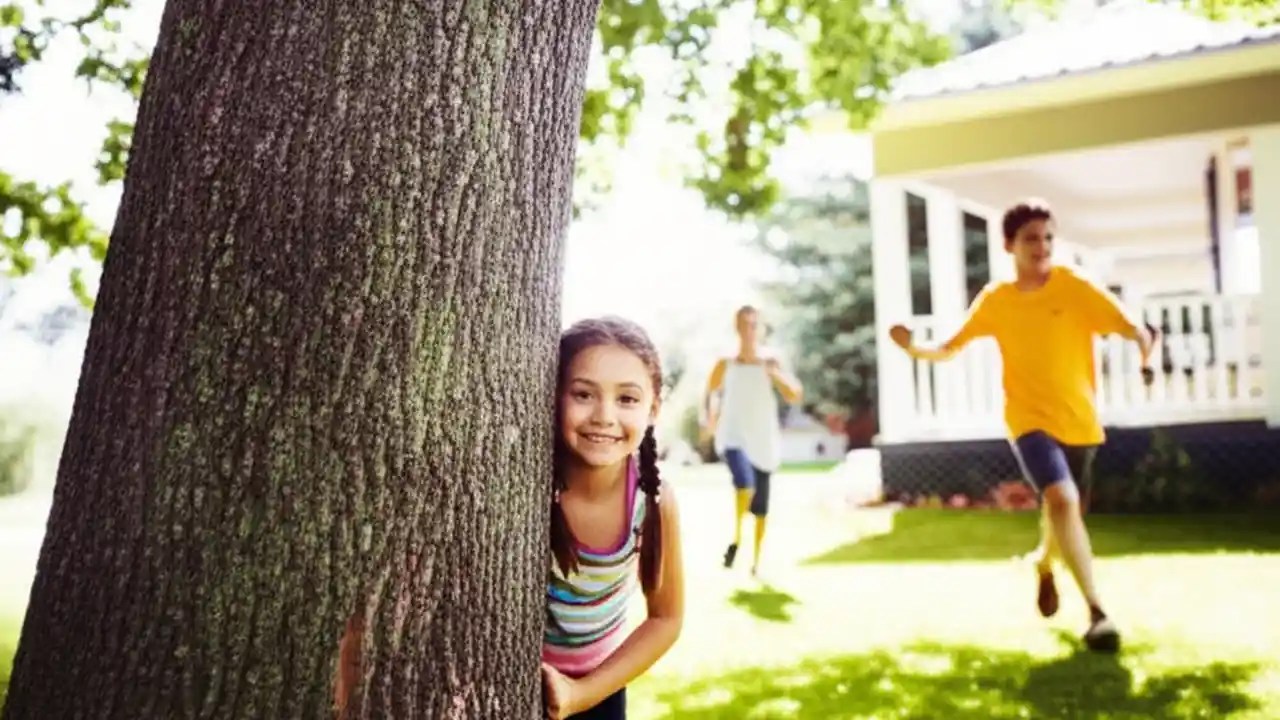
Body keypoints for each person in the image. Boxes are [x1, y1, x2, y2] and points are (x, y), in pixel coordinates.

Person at [888, 199, 1157, 653]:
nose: (1042, 246)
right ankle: (1097, 612)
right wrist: (914, 348)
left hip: (1079, 420)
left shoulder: (1073, 286)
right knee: (1062, 497)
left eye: (1049, 237)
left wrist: (1146, 352)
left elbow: (1132, 326)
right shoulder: (997, 300)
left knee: (1064, 511)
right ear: (1009, 245)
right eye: (1031, 238)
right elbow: (950, 347)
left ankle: (1044, 562)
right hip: (1028, 419)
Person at [542, 317, 685, 719]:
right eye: (584, 394)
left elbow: (666, 618)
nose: (604, 416)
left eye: (627, 399)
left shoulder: (652, 500)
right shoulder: (531, 488)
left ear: (653, 409)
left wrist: (581, 694)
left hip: (599, 691)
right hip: (516, 685)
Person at [701, 305, 803, 577]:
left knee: (761, 509)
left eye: (754, 324)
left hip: (764, 439)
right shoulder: (725, 362)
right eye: (744, 324)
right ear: (736, 327)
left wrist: (775, 374)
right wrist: (710, 416)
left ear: (761, 328)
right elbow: (711, 391)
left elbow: (794, 394)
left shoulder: (771, 360)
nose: (749, 329)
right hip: (733, 435)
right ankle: (736, 538)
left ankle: (756, 562)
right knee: (744, 484)